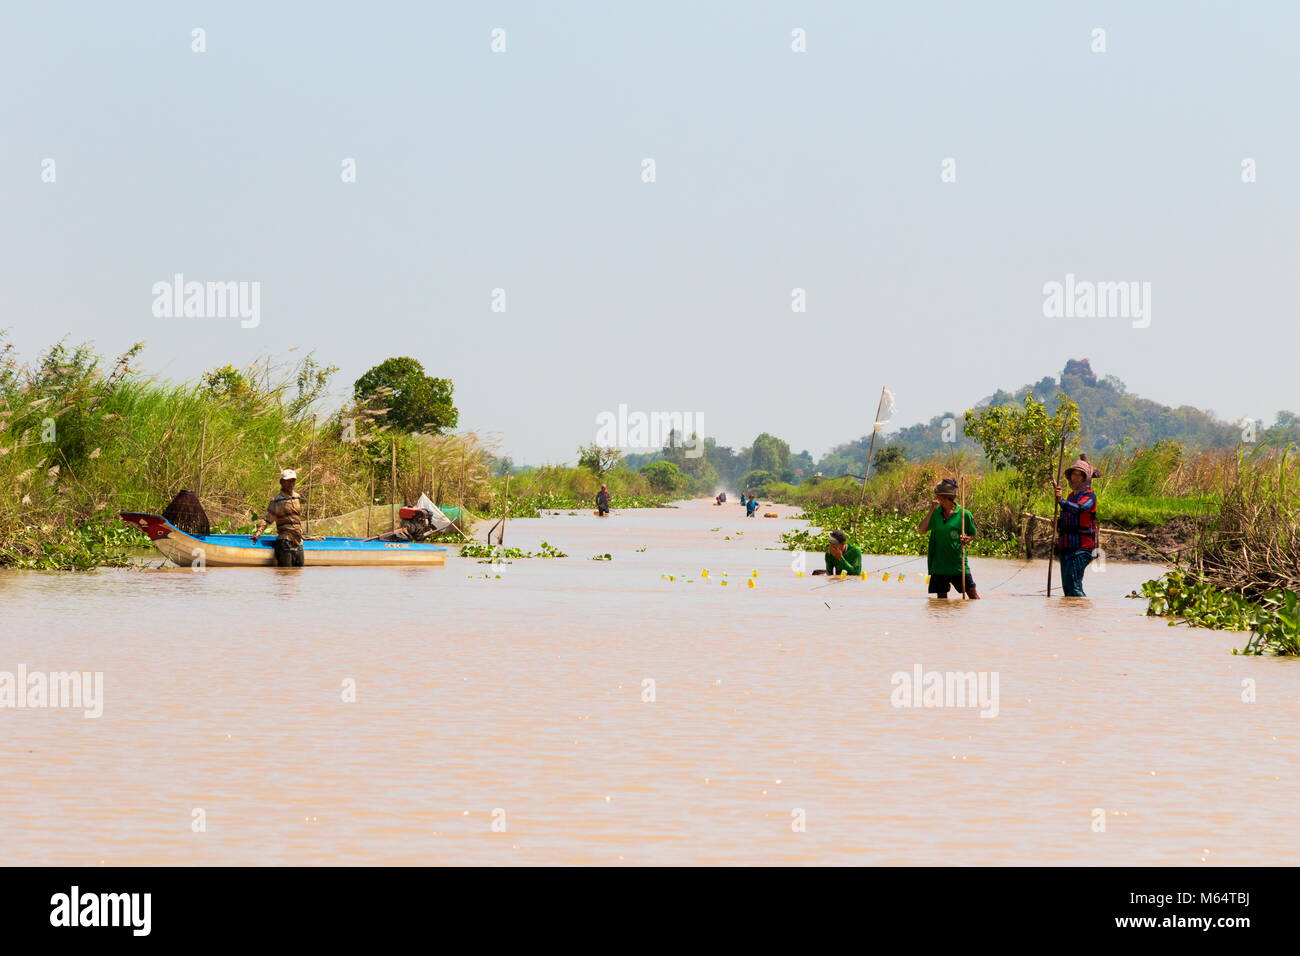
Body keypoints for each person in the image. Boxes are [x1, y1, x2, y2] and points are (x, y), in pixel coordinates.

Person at [918, 478, 979, 599]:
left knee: (973, 596)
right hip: (939, 566)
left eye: (939, 496)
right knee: (941, 603)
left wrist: (967, 539)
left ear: (946, 497)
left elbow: (973, 533)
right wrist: (931, 510)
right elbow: (921, 530)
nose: (936, 498)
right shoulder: (935, 513)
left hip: (958, 565)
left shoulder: (963, 514)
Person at [1051, 455, 1099, 597]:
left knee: (1074, 587)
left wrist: (1061, 501)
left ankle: (1081, 610)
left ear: (1085, 478)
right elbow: (1069, 516)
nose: (1076, 478)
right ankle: (1073, 614)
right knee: (1068, 588)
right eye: (1074, 474)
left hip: (1081, 548)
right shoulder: (1071, 496)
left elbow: (1079, 509)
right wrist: (1058, 523)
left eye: (1080, 475)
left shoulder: (1090, 496)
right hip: (1066, 549)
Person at [251, 468, 305, 567]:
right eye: (288, 481)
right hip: (285, 542)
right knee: (285, 573)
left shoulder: (297, 497)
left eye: (293, 480)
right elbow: (267, 519)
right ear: (281, 482)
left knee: (298, 573)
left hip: (298, 542)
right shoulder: (277, 501)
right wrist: (258, 533)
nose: (291, 483)